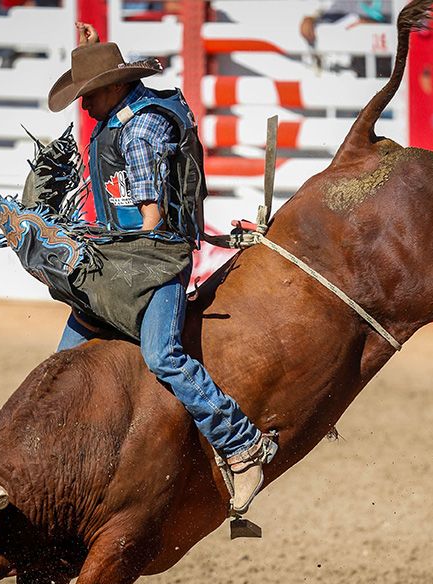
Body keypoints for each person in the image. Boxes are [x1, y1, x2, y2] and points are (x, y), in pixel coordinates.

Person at [45, 22, 278, 513]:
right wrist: (90, 55)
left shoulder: (140, 133)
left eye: (89, 93)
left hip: (151, 262)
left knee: (163, 354)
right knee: (65, 360)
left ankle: (241, 444)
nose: (83, 105)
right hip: (122, 260)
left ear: (113, 87)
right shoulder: (131, 112)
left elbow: (149, 220)